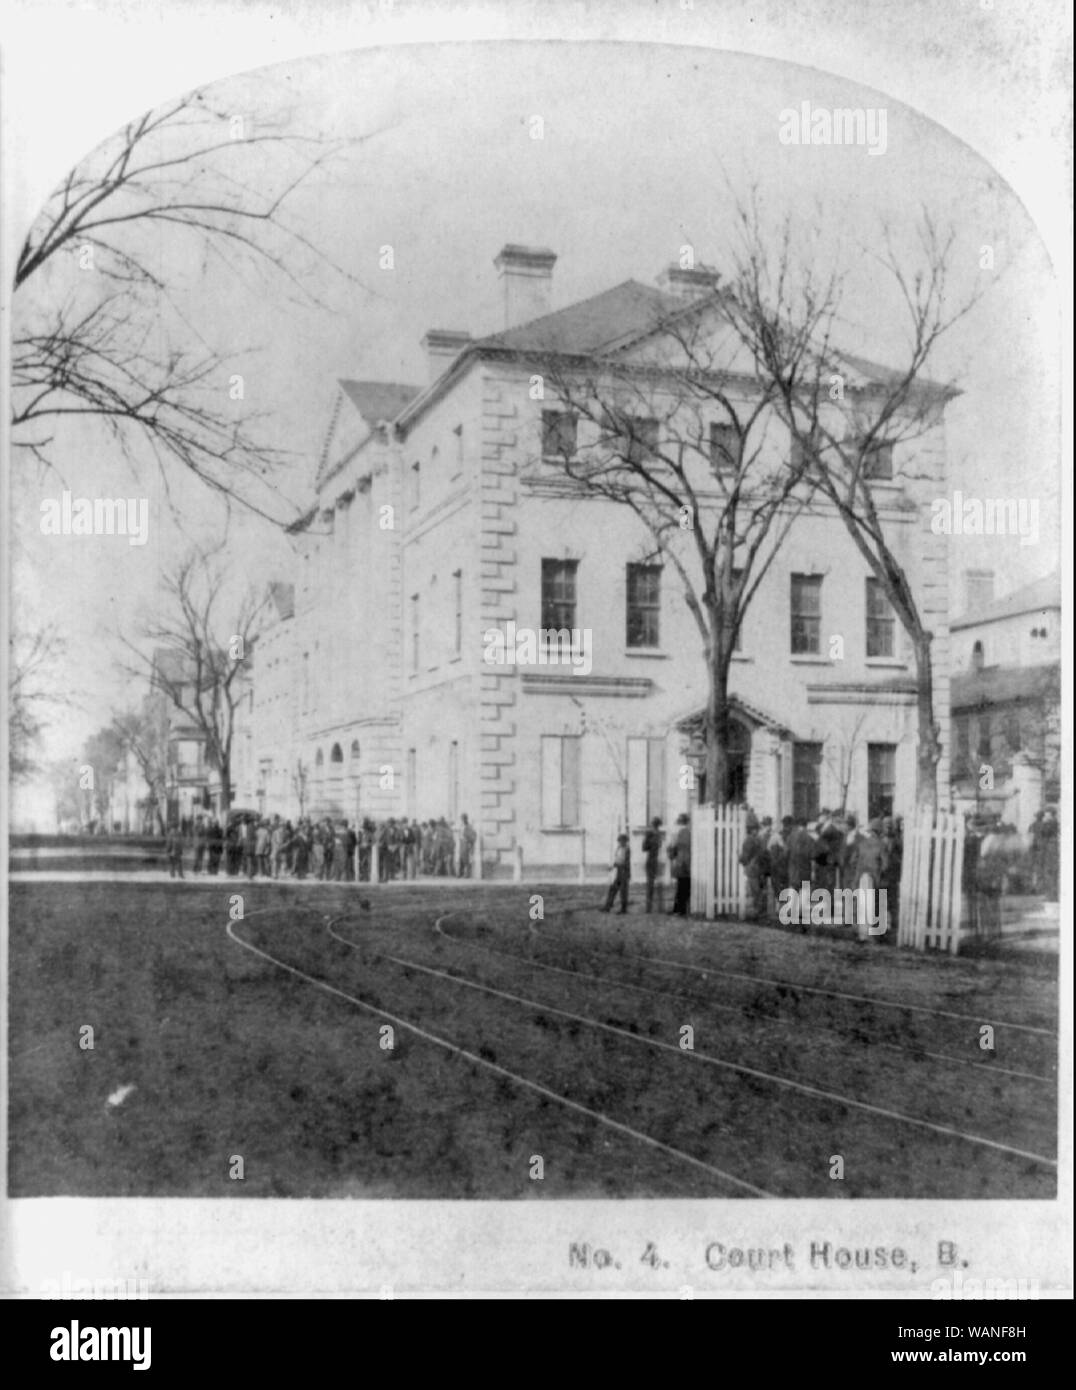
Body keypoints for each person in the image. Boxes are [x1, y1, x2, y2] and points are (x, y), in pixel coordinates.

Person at [668, 813, 692, 916]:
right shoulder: (688, 832)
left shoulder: (679, 832)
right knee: (684, 886)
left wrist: (672, 854)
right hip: (686, 861)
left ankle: (679, 909)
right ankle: (680, 909)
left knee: (681, 886)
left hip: (681, 861)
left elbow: (673, 847)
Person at [601, 834, 631, 914]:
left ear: (625, 841)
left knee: (623, 892)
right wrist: (612, 866)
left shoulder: (627, 849)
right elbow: (617, 859)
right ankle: (607, 906)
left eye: (622, 841)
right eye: (620, 841)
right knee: (613, 889)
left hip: (624, 872)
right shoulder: (619, 848)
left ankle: (623, 909)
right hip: (619, 871)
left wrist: (616, 865)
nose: (620, 842)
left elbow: (624, 862)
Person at [642, 817, 664, 913]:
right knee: (656, 884)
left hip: (651, 860)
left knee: (650, 884)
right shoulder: (659, 835)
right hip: (656, 860)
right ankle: (656, 907)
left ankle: (649, 908)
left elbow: (644, 848)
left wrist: (649, 842)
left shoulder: (650, 834)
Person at [458, 814, 477, 879]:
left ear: (466, 819)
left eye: (464, 819)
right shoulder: (461, 826)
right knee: (460, 858)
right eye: (462, 819)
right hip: (461, 843)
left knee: (466, 859)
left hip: (466, 843)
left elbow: (473, 835)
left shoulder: (469, 826)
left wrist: (469, 842)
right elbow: (460, 834)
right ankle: (460, 873)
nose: (462, 820)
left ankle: (467, 874)